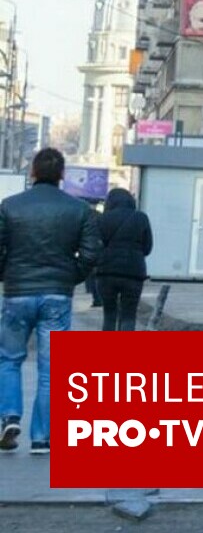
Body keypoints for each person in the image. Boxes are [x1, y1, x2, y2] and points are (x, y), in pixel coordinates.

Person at [0, 148, 103, 454]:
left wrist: (8, 275)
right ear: (62, 175)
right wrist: (71, 277)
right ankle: (42, 437)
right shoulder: (79, 209)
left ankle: (9, 417)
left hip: (17, 293)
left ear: (33, 171)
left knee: (9, 359)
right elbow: (91, 253)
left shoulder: (9, 206)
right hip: (57, 294)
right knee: (51, 369)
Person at [94, 188, 153, 332]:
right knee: (129, 314)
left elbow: (95, 245)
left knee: (109, 314)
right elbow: (147, 247)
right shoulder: (141, 218)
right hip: (134, 273)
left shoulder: (102, 219)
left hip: (106, 272)